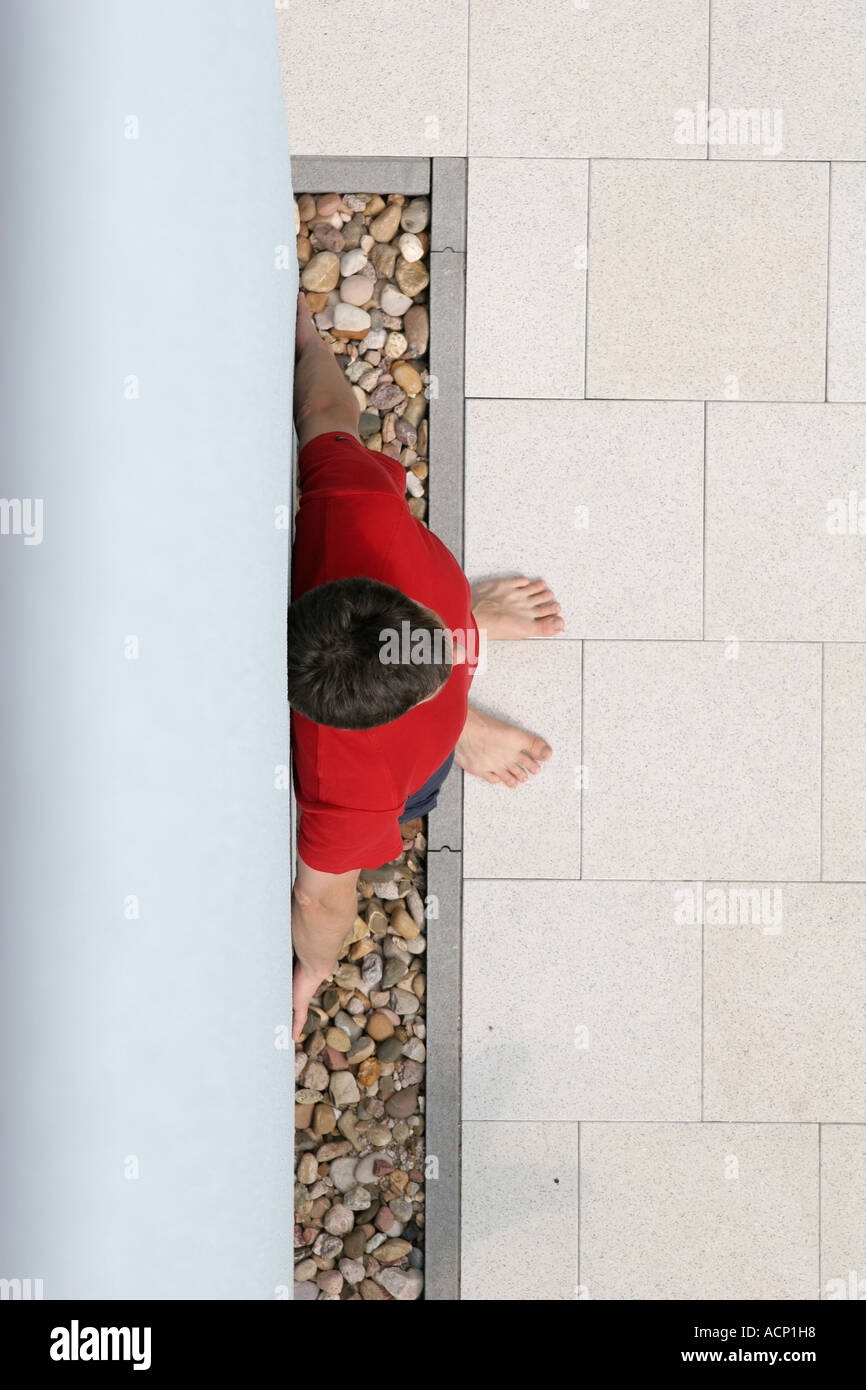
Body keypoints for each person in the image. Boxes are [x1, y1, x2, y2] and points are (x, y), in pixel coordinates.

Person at [289, 294, 564, 1038]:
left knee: (438, 670)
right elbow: (319, 902)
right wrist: (312, 968)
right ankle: (459, 713)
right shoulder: (340, 782)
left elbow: (321, 904)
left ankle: (460, 697)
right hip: (424, 626)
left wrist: (305, 337)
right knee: (429, 736)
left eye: (437, 650)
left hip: (418, 650)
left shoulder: (347, 510)